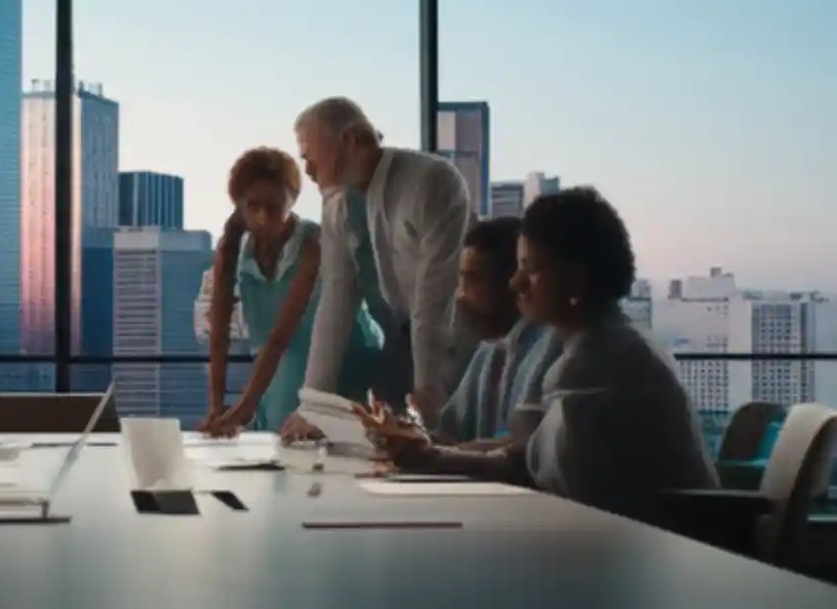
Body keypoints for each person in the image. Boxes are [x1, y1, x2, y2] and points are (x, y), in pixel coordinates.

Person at [360, 187, 717, 522]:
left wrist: (434, 457)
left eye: (532, 269)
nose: (516, 284)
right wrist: (431, 453)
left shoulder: (601, 360)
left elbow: (533, 474)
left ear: (577, 280)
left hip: (660, 557)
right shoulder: (603, 344)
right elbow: (526, 452)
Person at [295, 97, 470, 427]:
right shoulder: (338, 205)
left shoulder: (430, 181)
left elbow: (434, 300)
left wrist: (427, 390)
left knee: (445, 449)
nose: (307, 169)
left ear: (348, 140)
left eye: (309, 154)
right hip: (398, 343)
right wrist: (314, 404)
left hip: (453, 344)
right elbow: (336, 300)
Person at [198, 148, 382, 435]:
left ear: (292, 200)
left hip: (341, 359)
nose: (262, 216)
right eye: (253, 205)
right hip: (278, 371)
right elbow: (219, 335)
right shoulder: (235, 248)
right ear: (239, 205)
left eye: (273, 205)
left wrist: (241, 410)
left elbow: (279, 336)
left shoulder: (315, 244)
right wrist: (215, 409)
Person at [435, 217, 562, 447]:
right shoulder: (488, 354)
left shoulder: (557, 353)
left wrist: (445, 455)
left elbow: (531, 453)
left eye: (473, 279)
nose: (461, 295)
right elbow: (448, 434)